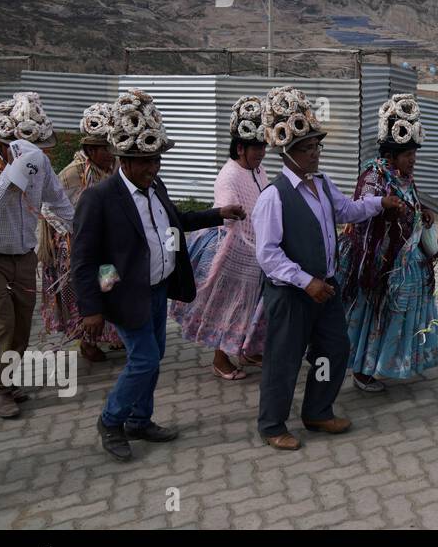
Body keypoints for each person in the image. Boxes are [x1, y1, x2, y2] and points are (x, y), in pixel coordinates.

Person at [72, 89, 243, 461]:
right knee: (145, 359)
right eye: (147, 161)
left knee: (156, 354)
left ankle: (139, 419)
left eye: (157, 159)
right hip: (125, 295)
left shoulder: (155, 187)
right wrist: (96, 304)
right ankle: (110, 420)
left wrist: (219, 214)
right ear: (125, 161)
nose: (154, 167)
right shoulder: (99, 198)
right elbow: (85, 259)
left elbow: (175, 222)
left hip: (157, 290)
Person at [252, 86, 403, 451]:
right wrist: (306, 282)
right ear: (288, 154)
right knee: (283, 360)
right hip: (292, 294)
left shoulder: (320, 184)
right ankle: (272, 424)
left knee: (333, 349)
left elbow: (346, 211)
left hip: (326, 289)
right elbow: (268, 255)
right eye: (308, 148)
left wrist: (379, 202)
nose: (316, 153)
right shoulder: (274, 196)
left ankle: (318, 411)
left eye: (317, 146)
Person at [0, 92, 74, 419]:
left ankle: (8, 379)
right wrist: (15, 170)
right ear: (5, 142)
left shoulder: (41, 163)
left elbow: (57, 201)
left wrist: (78, 232)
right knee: (0, 323)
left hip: (23, 256)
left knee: (20, 324)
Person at [340, 93, 438, 392]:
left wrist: (423, 214)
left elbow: (411, 205)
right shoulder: (373, 176)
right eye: (408, 153)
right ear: (391, 154)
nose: (413, 159)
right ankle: (362, 370)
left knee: (398, 311)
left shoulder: (404, 177)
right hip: (378, 267)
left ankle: (388, 361)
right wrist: (386, 209)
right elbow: (362, 218)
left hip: (403, 263)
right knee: (373, 315)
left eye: (414, 153)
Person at [170, 95, 270, 380]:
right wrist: (232, 212)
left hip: (256, 251)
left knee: (251, 308)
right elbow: (225, 213)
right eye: (256, 148)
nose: (261, 153)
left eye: (263, 147)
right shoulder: (229, 176)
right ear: (240, 148)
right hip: (232, 253)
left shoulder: (258, 170)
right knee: (228, 309)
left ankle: (247, 349)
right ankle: (219, 358)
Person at [40, 102, 123, 363]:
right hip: (78, 250)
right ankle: (87, 341)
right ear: (90, 149)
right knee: (87, 294)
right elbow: (50, 210)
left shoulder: (114, 169)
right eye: (105, 149)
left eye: (112, 147)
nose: (111, 154)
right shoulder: (72, 174)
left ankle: (110, 334)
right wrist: (79, 236)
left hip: (106, 247)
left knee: (110, 288)